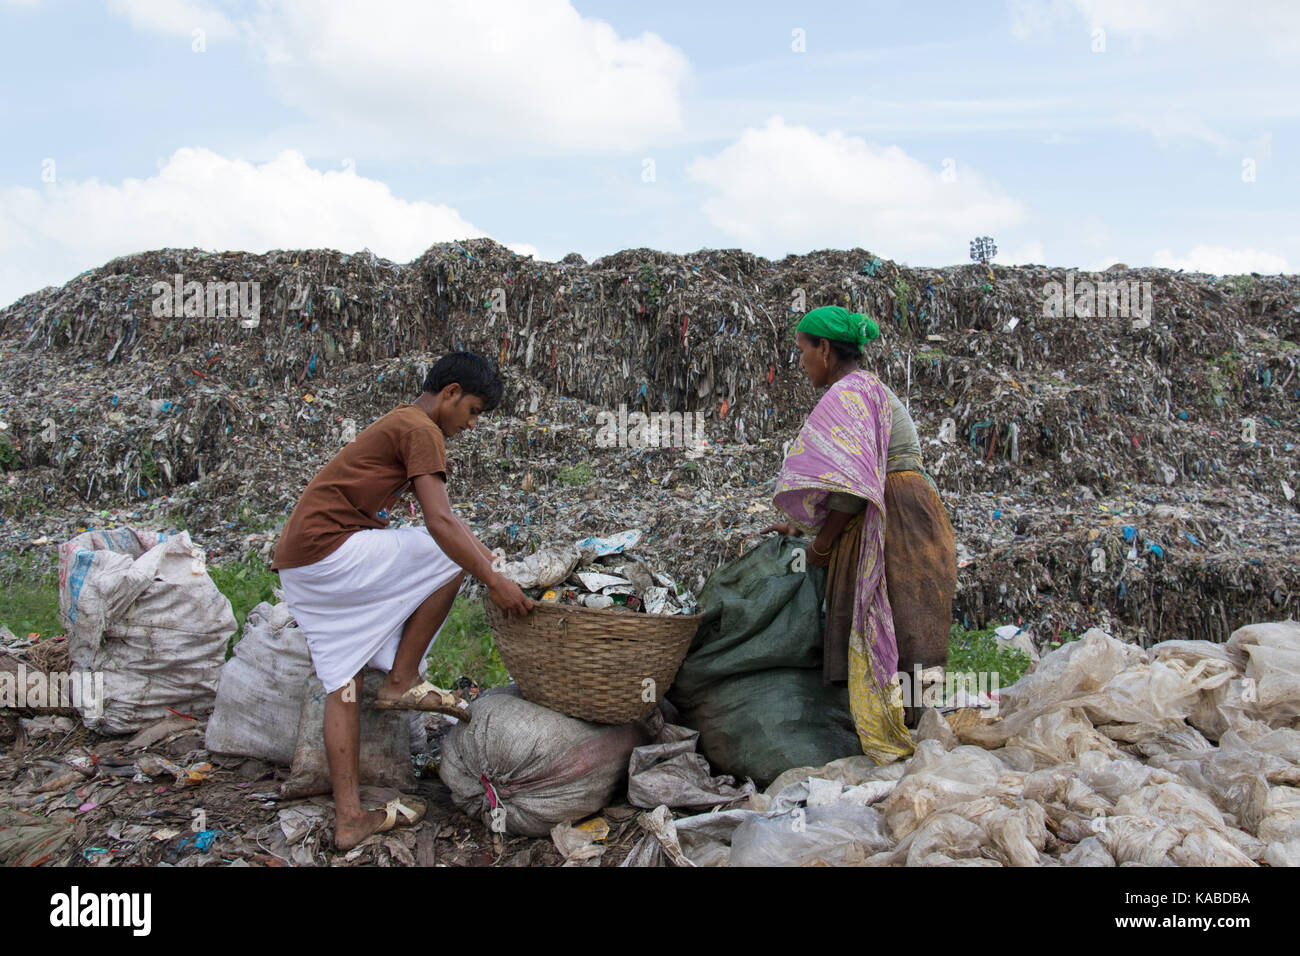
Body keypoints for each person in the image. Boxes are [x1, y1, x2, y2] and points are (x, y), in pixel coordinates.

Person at [271, 351, 533, 850]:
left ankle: (350, 818)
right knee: (448, 554)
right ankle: (403, 678)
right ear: (451, 392)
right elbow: (442, 524)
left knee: (342, 682)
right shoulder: (421, 428)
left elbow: (451, 524)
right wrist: (494, 580)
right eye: (474, 411)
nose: (472, 424)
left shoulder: (401, 422)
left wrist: (494, 567)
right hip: (328, 553)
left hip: (301, 566)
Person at [761, 306, 957, 762]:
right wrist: (801, 525)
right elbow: (847, 484)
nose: (802, 361)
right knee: (913, 635)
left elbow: (852, 493)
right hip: (914, 514)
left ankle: (899, 746)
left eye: (803, 351)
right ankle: (916, 744)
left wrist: (822, 546)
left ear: (825, 349)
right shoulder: (867, 390)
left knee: (896, 628)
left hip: (896, 521)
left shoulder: (848, 395)